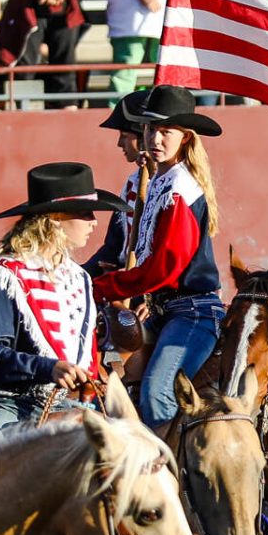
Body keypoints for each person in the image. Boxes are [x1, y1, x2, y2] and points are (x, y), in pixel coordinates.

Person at [0, 160, 125, 458]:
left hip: (71, 404)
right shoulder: (7, 274)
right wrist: (47, 368)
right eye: (85, 213)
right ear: (56, 219)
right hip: (7, 404)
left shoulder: (80, 279)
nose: (94, 222)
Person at [90, 87, 225, 432]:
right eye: (151, 130)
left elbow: (165, 268)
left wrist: (105, 287)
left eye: (166, 131)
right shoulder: (161, 182)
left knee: (158, 393)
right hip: (163, 311)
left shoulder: (180, 189)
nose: (156, 138)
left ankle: (168, 479)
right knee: (111, 383)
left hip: (192, 311)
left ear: (185, 138)